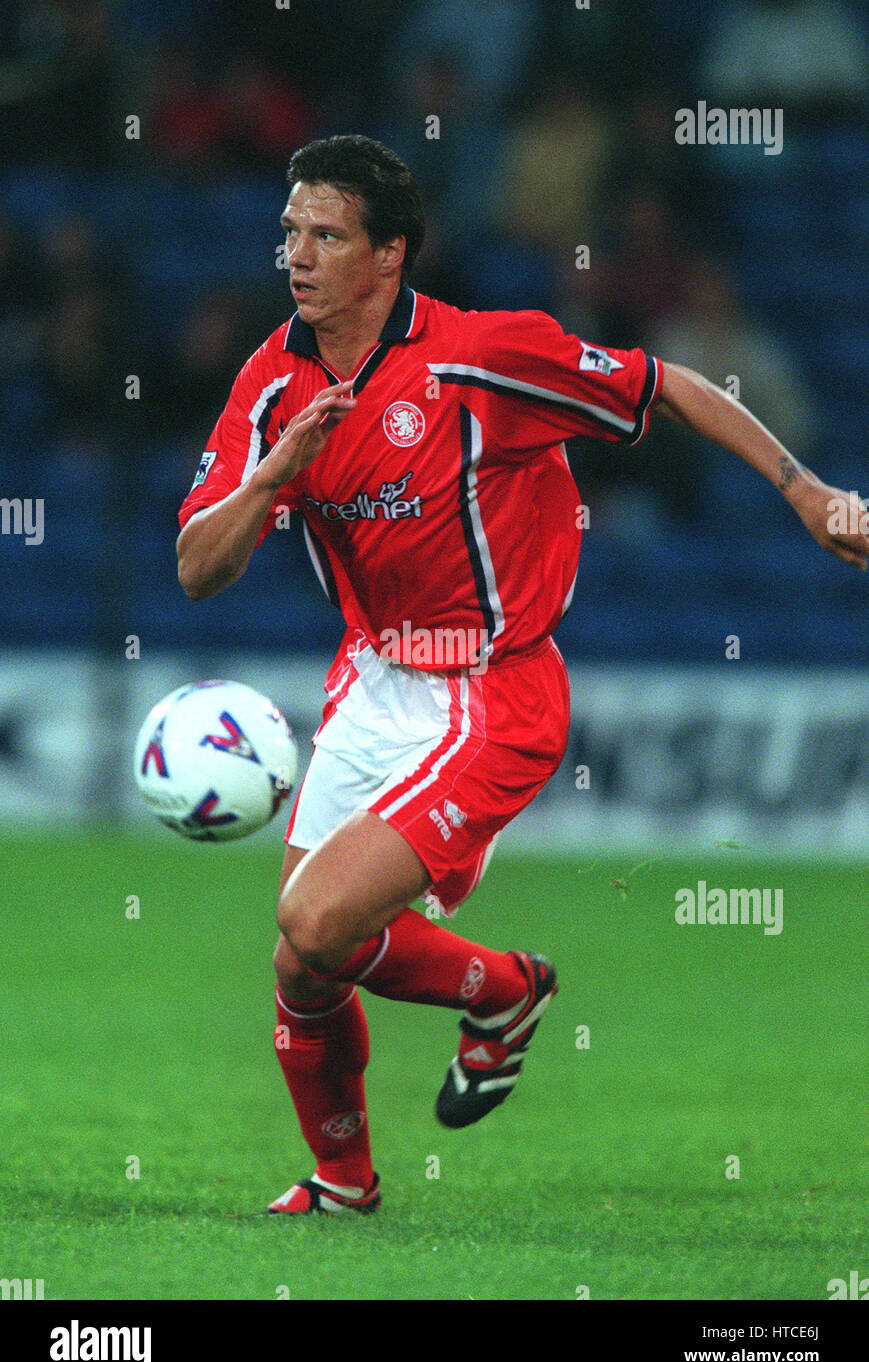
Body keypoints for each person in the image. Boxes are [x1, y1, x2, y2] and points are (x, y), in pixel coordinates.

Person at [176, 135, 868, 1216]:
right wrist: (276, 474)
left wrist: (804, 490)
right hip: (370, 678)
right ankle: (345, 1182)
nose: (296, 256)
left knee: (314, 924)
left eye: (324, 235)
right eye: (288, 232)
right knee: (302, 969)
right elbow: (193, 570)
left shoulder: (480, 359)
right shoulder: (270, 382)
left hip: (492, 689)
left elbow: (666, 385)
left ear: (388, 255)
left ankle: (501, 989)